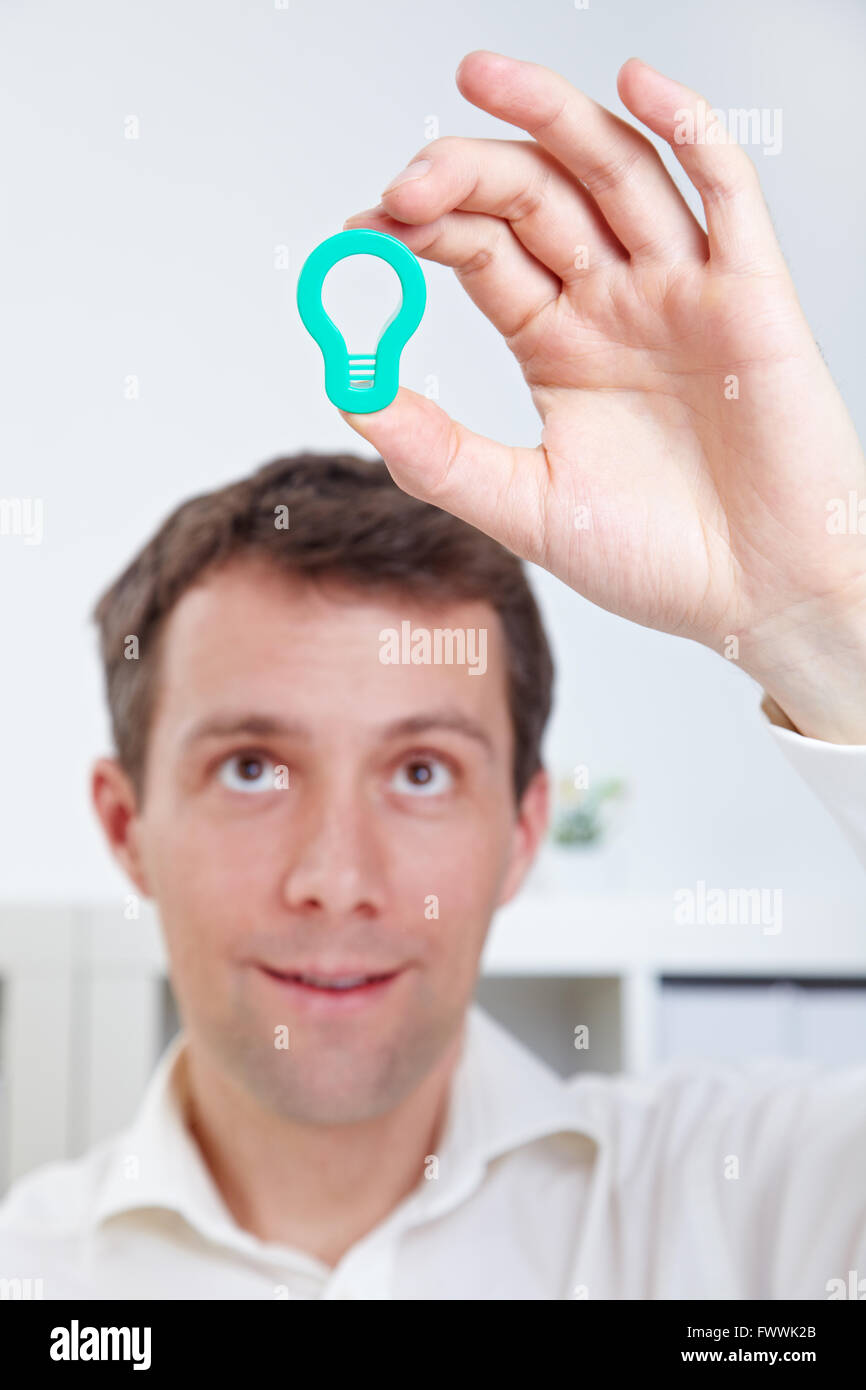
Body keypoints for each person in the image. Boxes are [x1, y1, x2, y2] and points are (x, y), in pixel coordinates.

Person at [1, 51, 864, 1301]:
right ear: (126, 825)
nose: (336, 879)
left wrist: (822, 624)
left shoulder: (756, 1215)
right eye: (251, 767)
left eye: (418, 769)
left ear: (522, 828)